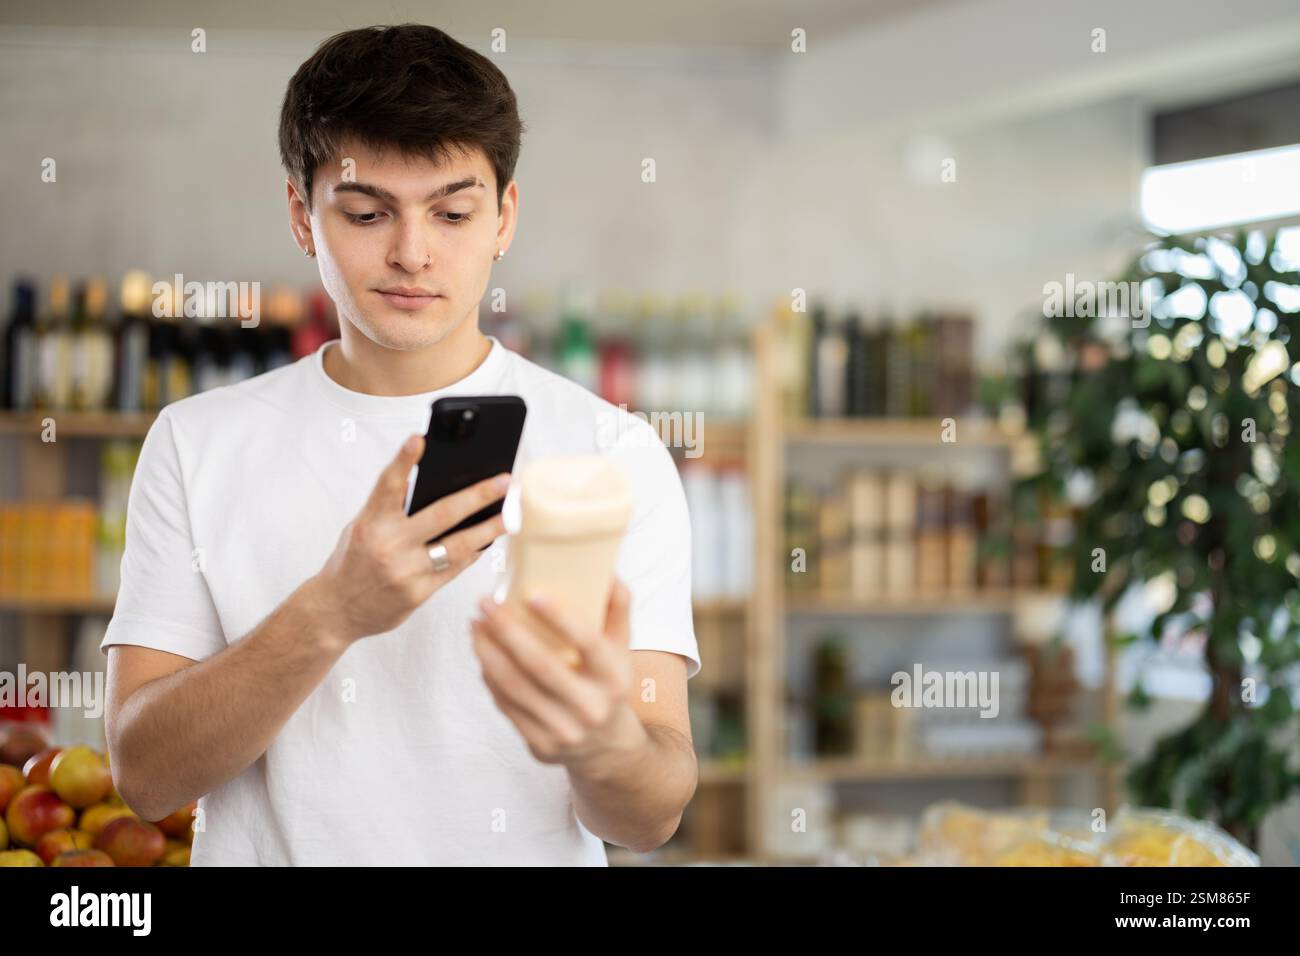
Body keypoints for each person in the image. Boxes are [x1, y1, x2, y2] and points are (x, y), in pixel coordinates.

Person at [102, 23, 700, 866]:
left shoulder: (612, 451)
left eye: (453, 212)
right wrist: (333, 610)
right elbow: (145, 775)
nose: (412, 253)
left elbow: (651, 815)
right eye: (366, 212)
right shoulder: (196, 443)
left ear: (504, 218)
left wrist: (602, 740)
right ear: (302, 216)